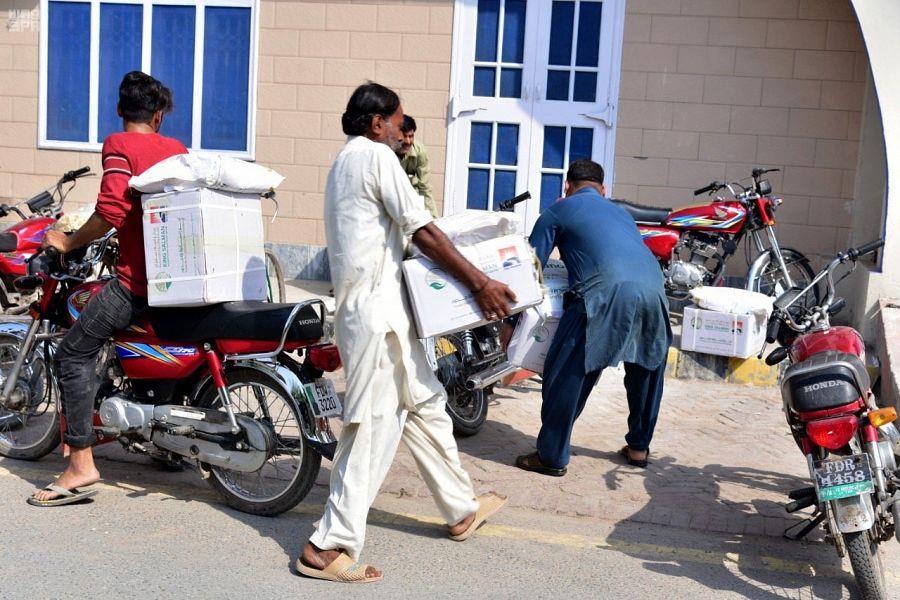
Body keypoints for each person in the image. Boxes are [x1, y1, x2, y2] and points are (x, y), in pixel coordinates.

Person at [298, 83, 514, 583]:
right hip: (376, 317)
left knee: (426, 403)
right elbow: (422, 230)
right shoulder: (374, 156)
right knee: (373, 425)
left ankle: (461, 508)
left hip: (385, 314)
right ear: (377, 123)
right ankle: (327, 545)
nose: (404, 133)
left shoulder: (347, 160)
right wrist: (479, 283)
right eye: (399, 123)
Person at [29, 72, 187, 507]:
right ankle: (165, 445)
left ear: (119, 110)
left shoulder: (119, 144)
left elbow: (112, 210)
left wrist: (67, 242)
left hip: (137, 284)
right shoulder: (177, 149)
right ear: (159, 115)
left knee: (72, 353)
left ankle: (81, 463)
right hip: (176, 284)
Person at [511, 159, 672, 477]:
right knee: (646, 371)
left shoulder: (558, 210)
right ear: (603, 189)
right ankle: (639, 449)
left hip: (602, 295)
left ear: (567, 186)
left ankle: (551, 456)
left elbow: (530, 267)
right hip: (655, 293)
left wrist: (509, 321)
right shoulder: (622, 214)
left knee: (566, 373)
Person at [396, 115, 437, 219]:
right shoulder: (384, 150)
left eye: (411, 136)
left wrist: (433, 218)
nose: (408, 141)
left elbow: (425, 187)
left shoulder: (420, 151)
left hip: (410, 199)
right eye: (404, 136)